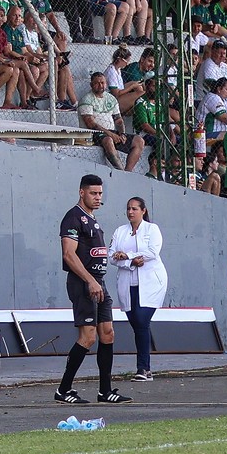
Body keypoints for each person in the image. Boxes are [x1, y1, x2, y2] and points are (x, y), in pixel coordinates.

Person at [55, 173, 128, 405]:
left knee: (107, 334)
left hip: (99, 282)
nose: (97, 198)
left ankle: (104, 391)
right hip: (84, 283)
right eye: (93, 193)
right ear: (81, 192)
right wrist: (90, 281)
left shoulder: (93, 219)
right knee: (88, 338)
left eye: (100, 194)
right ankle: (63, 390)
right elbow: (69, 254)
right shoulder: (73, 218)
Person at [108, 197, 166, 382]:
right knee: (136, 322)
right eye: (128, 209)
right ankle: (146, 369)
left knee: (142, 319)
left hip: (150, 282)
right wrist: (129, 261)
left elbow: (152, 252)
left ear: (143, 210)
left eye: (134, 208)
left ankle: (143, 367)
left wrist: (127, 255)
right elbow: (112, 256)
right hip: (128, 282)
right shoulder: (120, 231)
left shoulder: (152, 229)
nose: (130, 212)